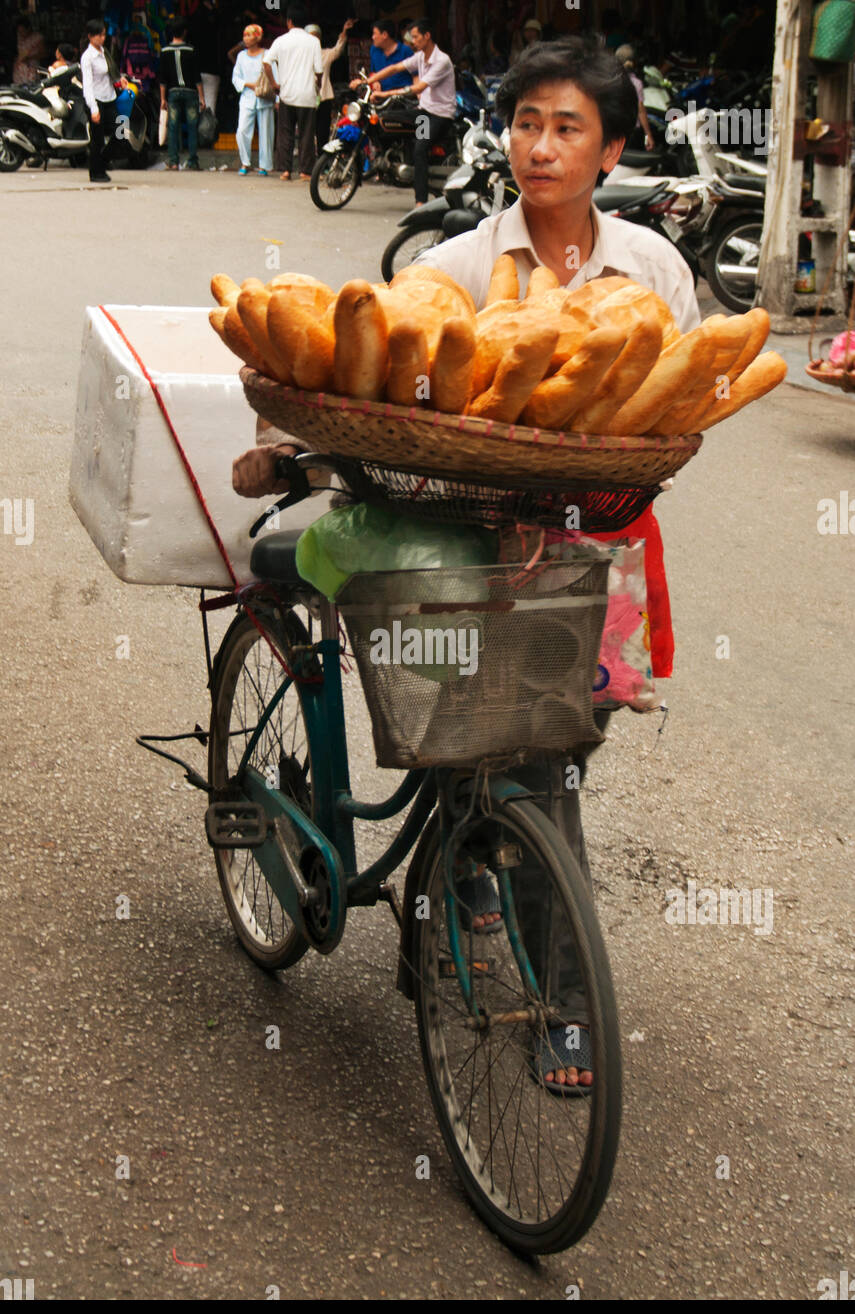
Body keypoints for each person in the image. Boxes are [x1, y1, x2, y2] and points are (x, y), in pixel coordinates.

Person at [230, 35, 701, 1094]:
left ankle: (482, 878)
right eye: (525, 122)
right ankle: (549, 994)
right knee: (495, 756)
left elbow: (681, 395)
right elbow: (378, 389)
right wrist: (301, 453)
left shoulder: (651, 269)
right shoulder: (454, 263)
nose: (539, 147)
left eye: (566, 127)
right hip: (461, 540)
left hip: (593, 554)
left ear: (610, 147)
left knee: (550, 764)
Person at [366, 16, 455, 207]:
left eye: (415, 37)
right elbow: (395, 67)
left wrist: (385, 94)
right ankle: (392, 165)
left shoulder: (442, 61)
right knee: (383, 120)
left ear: (427, 36)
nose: (412, 41)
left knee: (420, 147)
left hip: (439, 115)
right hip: (423, 111)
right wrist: (368, 81)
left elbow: (417, 88)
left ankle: (420, 201)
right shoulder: (420, 57)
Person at [263, 6, 323, 181]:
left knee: (285, 133)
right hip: (307, 94)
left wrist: (274, 84)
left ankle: (285, 171)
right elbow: (319, 70)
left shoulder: (281, 40)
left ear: (289, 21)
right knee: (306, 134)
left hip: (286, 93)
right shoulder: (313, 42)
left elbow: (266, 63)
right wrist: (316, 84)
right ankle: (305, 171)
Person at [158, 19, 205, 171]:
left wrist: (163, 99)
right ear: (184, 32)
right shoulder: (191, 50)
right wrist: (202, 98)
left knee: (172, 126)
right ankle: (192, 161)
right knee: (192, 126)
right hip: (191, 92)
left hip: (173, 93)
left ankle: (173, 161)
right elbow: (197, 77)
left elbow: (163, 79)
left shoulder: (165, 52)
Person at [231, 23, 272, 176]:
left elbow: (275, 76)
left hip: (265, 98)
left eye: (250, 35)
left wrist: (277, 99)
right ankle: (245, 162)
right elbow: (236, 78)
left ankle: (264, 165)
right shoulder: (241, 56)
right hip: (247, 96)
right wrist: (249, 84)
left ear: (257, 37)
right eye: (245, 35)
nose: (246, 38)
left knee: (266, 132)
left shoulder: (267, 54)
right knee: (242, 130)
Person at [81, 18, 118, 184]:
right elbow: (87, 85)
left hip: (110, 97)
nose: (102, 38)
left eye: (104, 35)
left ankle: (104, 161)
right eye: (99, 35)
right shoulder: (88, 57)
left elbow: (111, 73)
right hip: (96, 100)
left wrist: (120, 81)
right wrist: (93, 108)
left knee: (120, 131)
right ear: (90, 36)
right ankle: (96, 172)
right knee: (97, 139)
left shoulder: (105, 52)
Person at [309, 18, 355, 154]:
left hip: (324, 96)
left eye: (317, 37)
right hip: (306, 97)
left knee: (322, 130)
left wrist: (344, 32)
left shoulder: (326, 54)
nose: (314, 40)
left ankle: (322, 160)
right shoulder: (300, 55)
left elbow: (338, 49)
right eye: (311, 37)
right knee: (307, 131)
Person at [615, 43, 654, 151]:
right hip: (631, 133)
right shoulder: (636, 83)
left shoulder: (610, 82)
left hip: (613, 131)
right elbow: (641, 111)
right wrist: (648, 135)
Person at [188, 0, 222, 115]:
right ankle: (206, 132)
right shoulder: (213, 16)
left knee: (196, 108)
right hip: (210, 68)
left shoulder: (194, 16)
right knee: (209, 108)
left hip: (196, 68)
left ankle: (198, 132)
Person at [362, 19, 412, 93]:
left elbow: (416, 75)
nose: (373, 37)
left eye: (375, 34)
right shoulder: (374, 49)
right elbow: (373, 72)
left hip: (403, 96)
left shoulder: (405, 51)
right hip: (382, 96)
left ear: (385, 35)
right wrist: (375, 82)